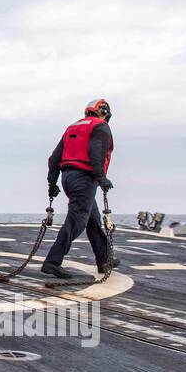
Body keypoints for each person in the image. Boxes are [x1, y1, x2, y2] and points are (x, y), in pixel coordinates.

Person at [41, 98, 120, 280]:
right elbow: (96, 152)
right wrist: (101, 177)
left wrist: (52, 184)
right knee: (77, 221)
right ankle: (52, 261)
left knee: (93, 219)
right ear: (103, 111)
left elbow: (54, 158)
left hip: (68, 178)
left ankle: (104, 260)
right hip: (84, 179)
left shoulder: (73, 127)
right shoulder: (100, 127)